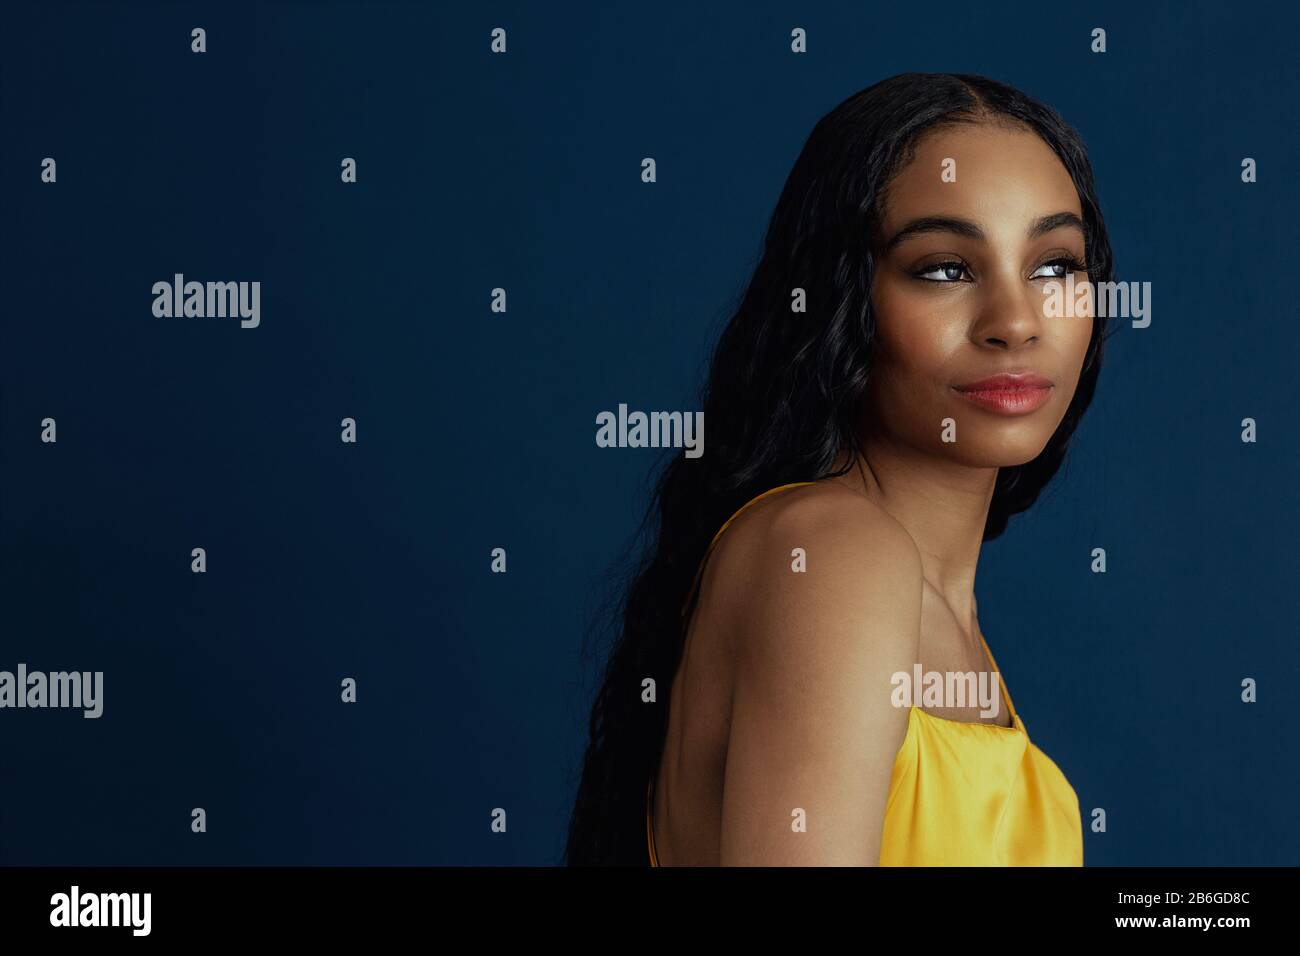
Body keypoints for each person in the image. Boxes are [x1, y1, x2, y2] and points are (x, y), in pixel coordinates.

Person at [567, 72, 1111, 866]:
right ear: (842, 297)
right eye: (944, 268)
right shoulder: (834, 557)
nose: (1017, 321)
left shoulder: (920, 602)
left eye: (1056, 264)